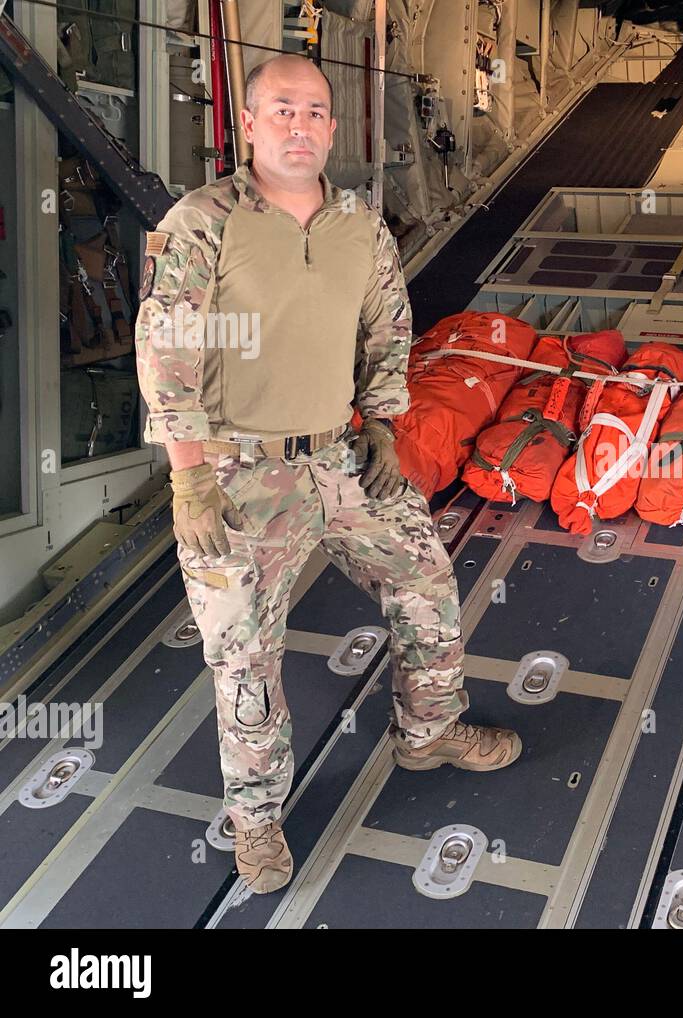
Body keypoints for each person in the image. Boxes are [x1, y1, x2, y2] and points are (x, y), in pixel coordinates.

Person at [134, 54, 521, 895]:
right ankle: (258, 818)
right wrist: (188, 478)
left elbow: (387, 326)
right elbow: (165, 350)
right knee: (244, 655)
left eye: (315, 111)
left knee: (425, 577)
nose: (300, 124)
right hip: (235, 475)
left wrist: (382, 422)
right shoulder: (203, 221)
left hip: (339, 456)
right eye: (282, 109)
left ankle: (428, 730)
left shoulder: (359, 223)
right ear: (248, 123)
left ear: (333, 129)